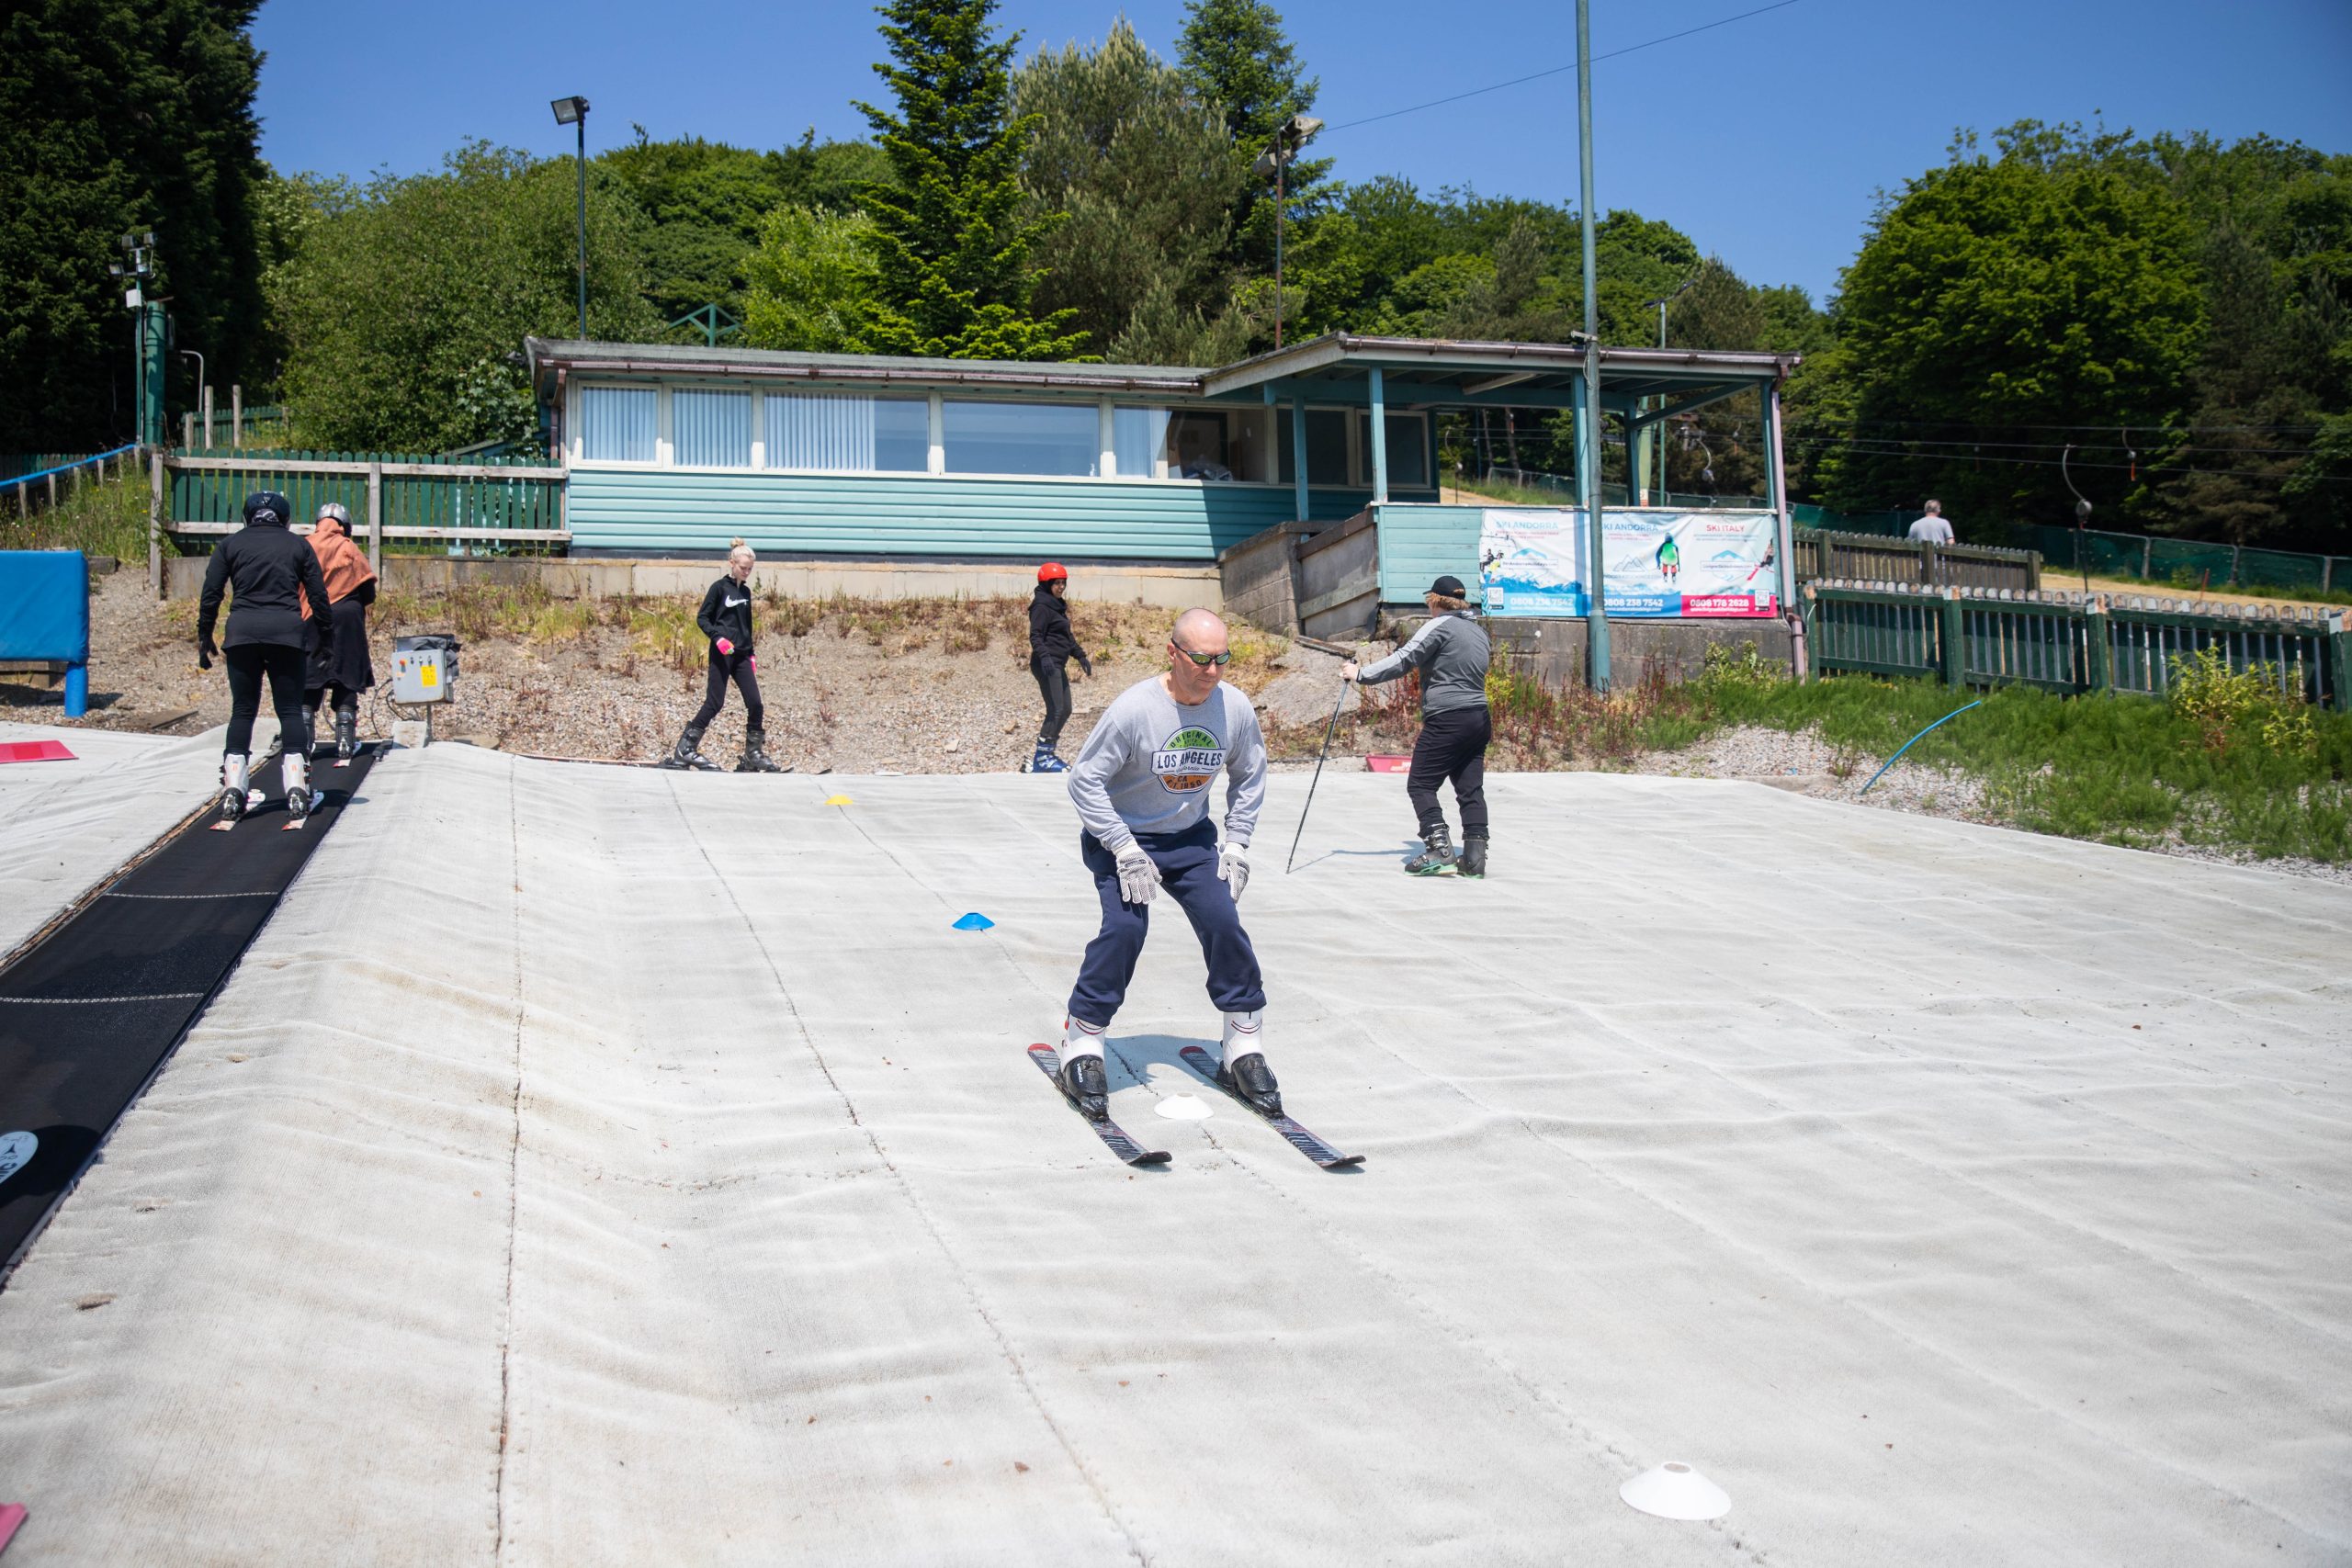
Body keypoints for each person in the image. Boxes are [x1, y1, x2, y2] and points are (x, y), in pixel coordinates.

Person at [1056, 608, 1276, 1121]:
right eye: (1201, 659)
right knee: (1125, 929)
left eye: (1222, 658)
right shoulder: (1134, 710)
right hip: (1123, 841)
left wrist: (1237, 844)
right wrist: (1123, 846)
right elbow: (1084, 779)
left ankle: (1243, 1042)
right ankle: (1083, 1039)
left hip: (1190, 840)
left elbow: (1250, 775)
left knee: (1223, 922)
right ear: (1172, 653)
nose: (1213, 670)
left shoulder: (1234, 708)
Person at [198, 490, 335, 825]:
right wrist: (326, 637)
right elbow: (318, 595)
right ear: (285, 519)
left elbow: (211, 593)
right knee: (289, 709)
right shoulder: (298, 546)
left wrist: (204, 635)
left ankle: (233, 790)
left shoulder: (229, 545)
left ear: (247, 517)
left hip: (242, 633)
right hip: (286, 633)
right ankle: (297, 789)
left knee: (243, 709)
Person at [1342, 574, 1492, 879]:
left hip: (1448, 717)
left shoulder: (1440, 625)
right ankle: (1475, 860)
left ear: (1434, 601)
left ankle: (1440, 851)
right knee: (1470, 789)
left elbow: (1404, 659)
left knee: (1421, 784)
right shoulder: (1479, 632)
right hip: (1479, 717)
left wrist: (1361, 674)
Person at [663, 539, 782, 773]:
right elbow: (702, 618)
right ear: (732, 563)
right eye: (743, 568)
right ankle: (685, 749)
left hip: (742, 656)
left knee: (755, 703)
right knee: (715, 703)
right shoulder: (719, 588)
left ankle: (753, 755)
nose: (746, 572)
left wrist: (751, 653)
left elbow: (746, 625)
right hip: (722, 653)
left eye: (750, 569)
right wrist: (718, 638)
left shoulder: (745, 591)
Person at [302, 502, 377, 761]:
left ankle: (304, 741)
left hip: (310, 616)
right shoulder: (348, 548)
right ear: (345, 526)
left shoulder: (304, 546)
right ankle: (345, 740)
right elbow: (368, 592)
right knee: (346, 672)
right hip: (347, 619)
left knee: (309, 675)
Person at [1024, 561, 1091, 773]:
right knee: (1056, 709)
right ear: (1047, 584)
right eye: (1057, 583)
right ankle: (1042, 758)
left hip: (1057, 663)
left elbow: (1066, 637)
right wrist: (1044, 658)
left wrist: (1080, 655)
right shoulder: (1041, 606)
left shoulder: (1057, 605)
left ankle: (1046, 755)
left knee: (1066, 708)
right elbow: (1035, 636)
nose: (1061, 587)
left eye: (1063, 583)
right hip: (1046, 663)